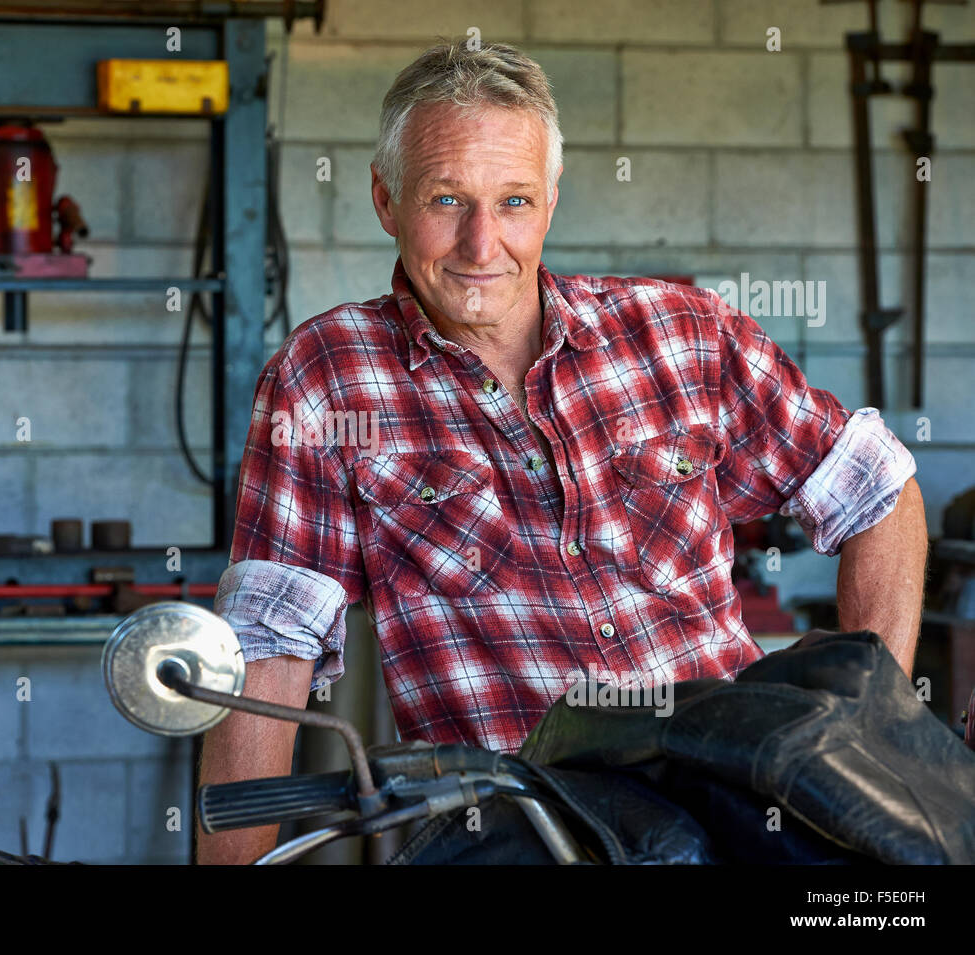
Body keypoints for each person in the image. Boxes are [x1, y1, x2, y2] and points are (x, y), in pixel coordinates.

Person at [196, 39, 927, 864]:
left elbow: (879, 489)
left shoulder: (682, 332)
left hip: (737, 797)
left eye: (512, 201)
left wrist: (871, 729)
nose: (481, 246)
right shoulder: (328, 377)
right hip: (521, 823)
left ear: (550, 200)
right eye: (446, 199)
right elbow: (268, 649)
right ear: (384, 197)